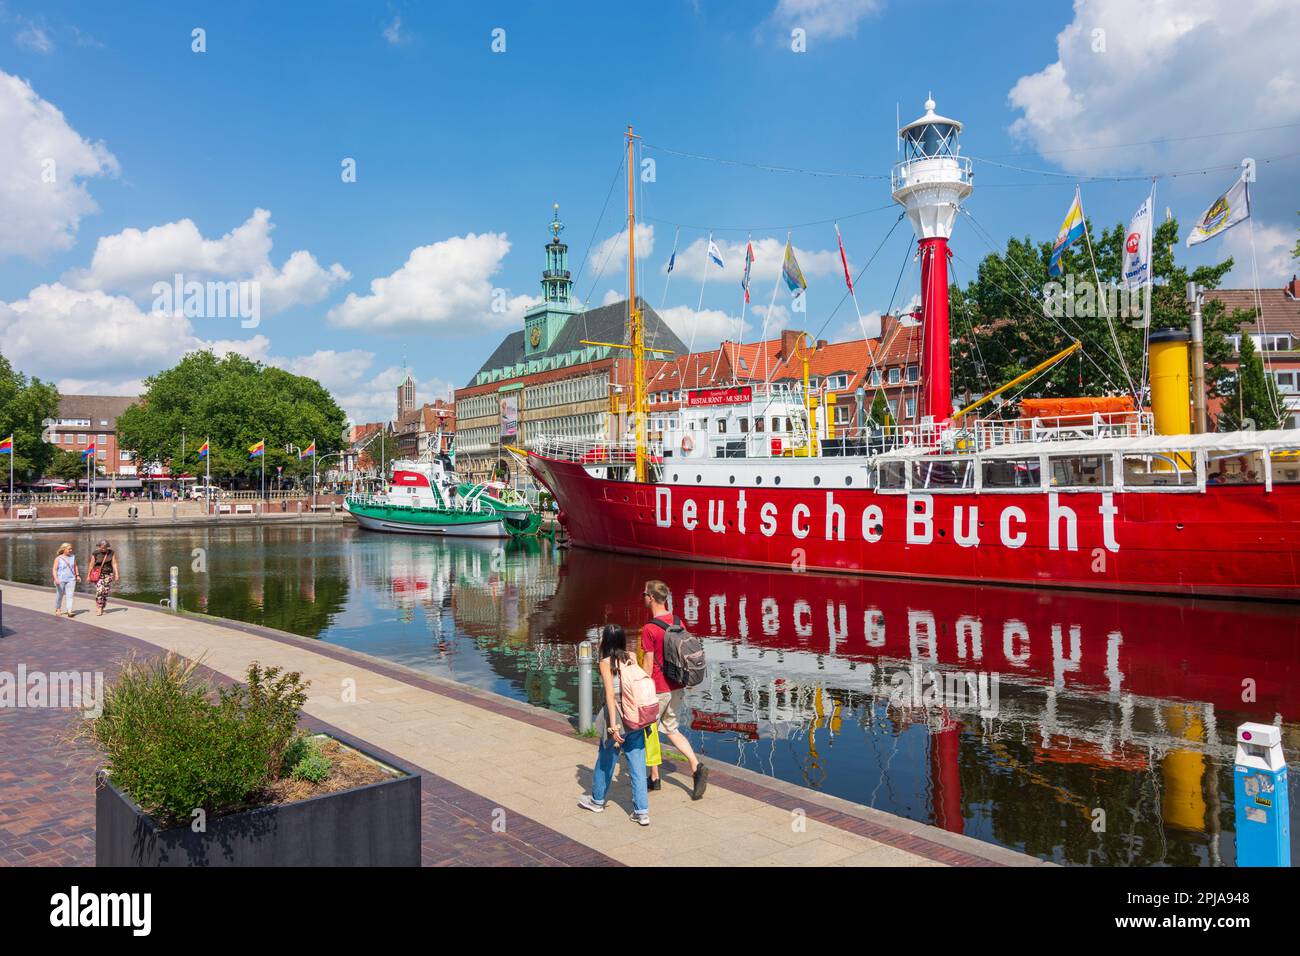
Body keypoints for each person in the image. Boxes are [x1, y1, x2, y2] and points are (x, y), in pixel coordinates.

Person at [640, 580, 708, 799]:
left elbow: (648, 665)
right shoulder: (678, 621)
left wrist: (641, 687)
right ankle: (696, 766)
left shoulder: (649, 629)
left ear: (650, 597)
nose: (643, 597)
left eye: (644, 594)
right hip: (678, 685)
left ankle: (654, 777)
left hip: (658, 688)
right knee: (670, 729)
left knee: (648, 730)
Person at [578, 624, 651, 826]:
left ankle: (597, 800)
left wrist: (613, 726)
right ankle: (642, 812)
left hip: (617, 717)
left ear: (605, 642)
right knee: (637, 764)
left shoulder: (605, 662)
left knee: (606, 759)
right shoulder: (631, 657)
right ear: (621, 640)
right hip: (636, 716)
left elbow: (610, 695)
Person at [88, 539, 121, 617]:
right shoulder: (95, 553)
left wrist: (116, 574)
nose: (103, 549)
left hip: (108, 574)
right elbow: (91, 564)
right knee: (99, 590)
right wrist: (88, 575)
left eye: (105, 547)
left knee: (105, 591)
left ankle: (102, 606)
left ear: (107, 547)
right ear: (99, 546)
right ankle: (99, 607)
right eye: (102, 547)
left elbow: (114, 563)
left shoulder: (111, 553)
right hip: (98, 575)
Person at [51, 543, 80, 616]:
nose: (71, 550)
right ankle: (58, 608)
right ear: (64, 549)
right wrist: (56, 578)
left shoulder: (73, 557)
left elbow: (75, 566)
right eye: (69, 549)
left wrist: (77, 575)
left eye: (71, 548)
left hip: (71, 579)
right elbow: (54, 569)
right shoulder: (58, 558)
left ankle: (69, 611)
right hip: (61, 579)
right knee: (59, 595)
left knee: (70, 595)